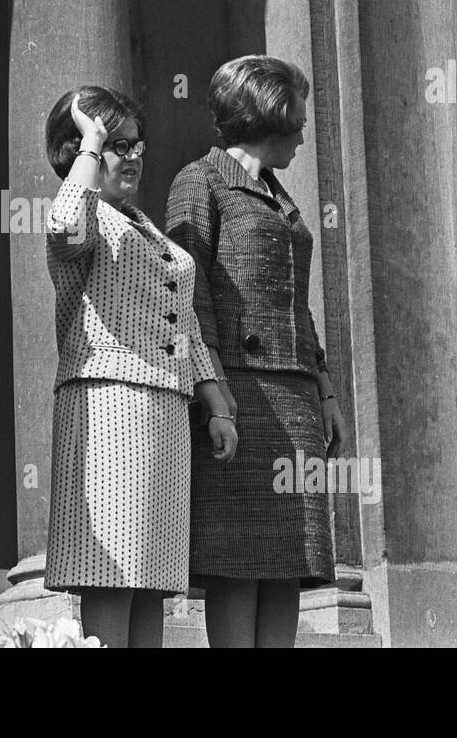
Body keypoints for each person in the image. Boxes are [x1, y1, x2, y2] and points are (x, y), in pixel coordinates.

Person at [166, 55, 349, 648]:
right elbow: (188, 295)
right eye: (295, 115)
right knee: (237, 554)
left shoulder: (280, 194)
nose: (302, 130)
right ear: (265, 111)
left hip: (293, 398)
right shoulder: (201, 182)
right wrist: (211, 389)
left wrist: (325, 390)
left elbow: (298, 304)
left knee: (287, 560)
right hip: (236, 392)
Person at [42, 87, 234, 648]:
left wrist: (215, 399)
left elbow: (185, 322)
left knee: (151, 580)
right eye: (114, 145)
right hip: (108, 410)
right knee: (112, 574)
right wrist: (91, 147)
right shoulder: (86, 214)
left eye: (135, 144)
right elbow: (62, 226)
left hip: (166, 414)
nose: (131, 156)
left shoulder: (142, 225)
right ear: (76, 152)